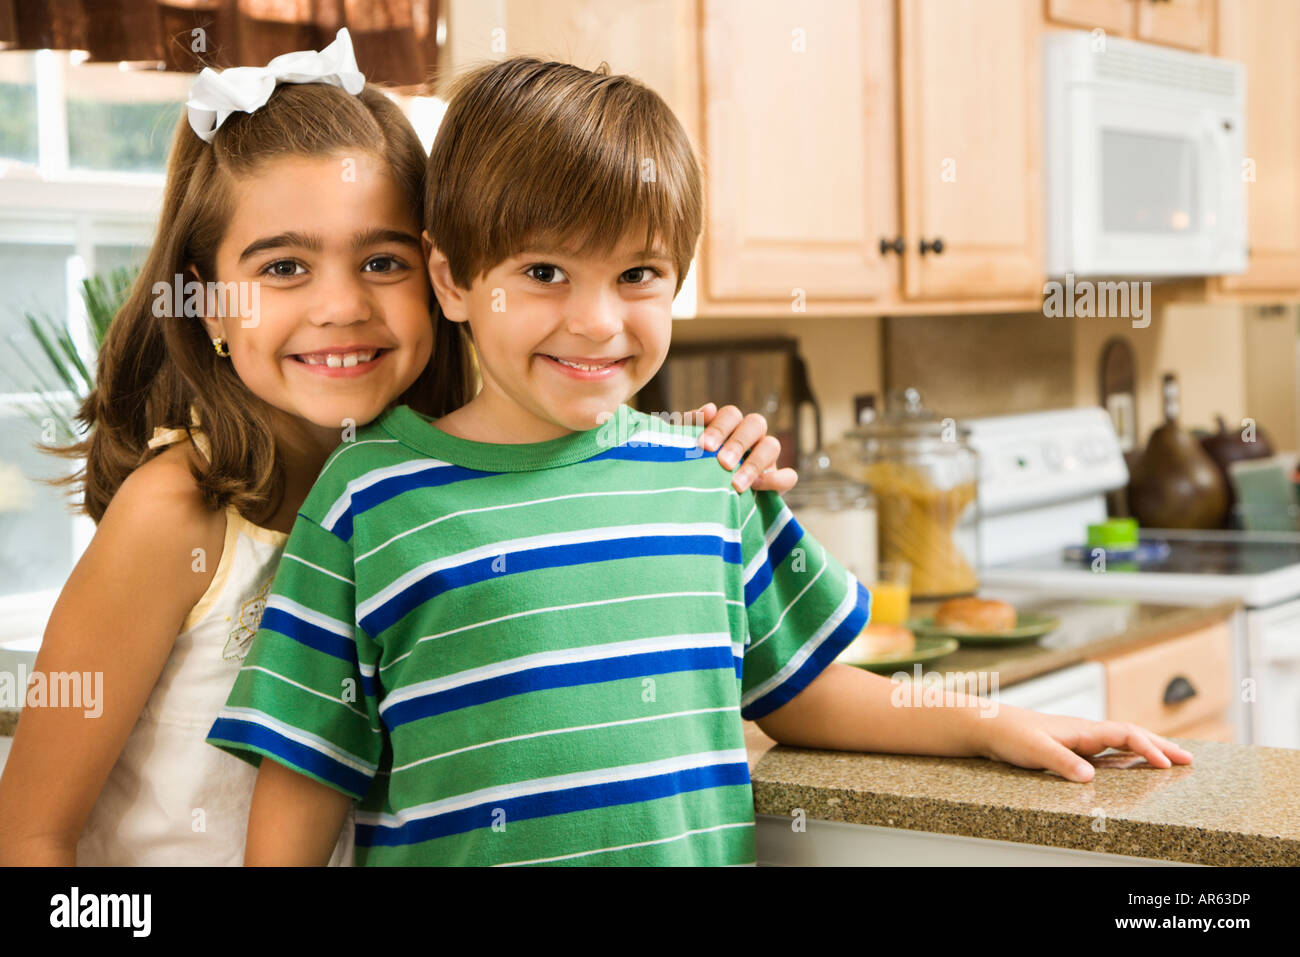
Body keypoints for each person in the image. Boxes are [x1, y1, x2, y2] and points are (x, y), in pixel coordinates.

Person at [208, 56, 1191, 867]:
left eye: (638, 275)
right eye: (543, 273)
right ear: (454, 278)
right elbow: (303, 778)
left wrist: (993, 723)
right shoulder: (369, 499)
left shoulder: (709, 480)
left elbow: (799, 687)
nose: (596, 321)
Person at [0, 32, 788, 866]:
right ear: (207, 303)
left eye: (382, 259)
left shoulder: (435, 496)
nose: (342, 306)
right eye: (283, 268)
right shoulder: (176, 513)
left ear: (445, 277)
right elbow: (30, 835)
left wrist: (714, 460)